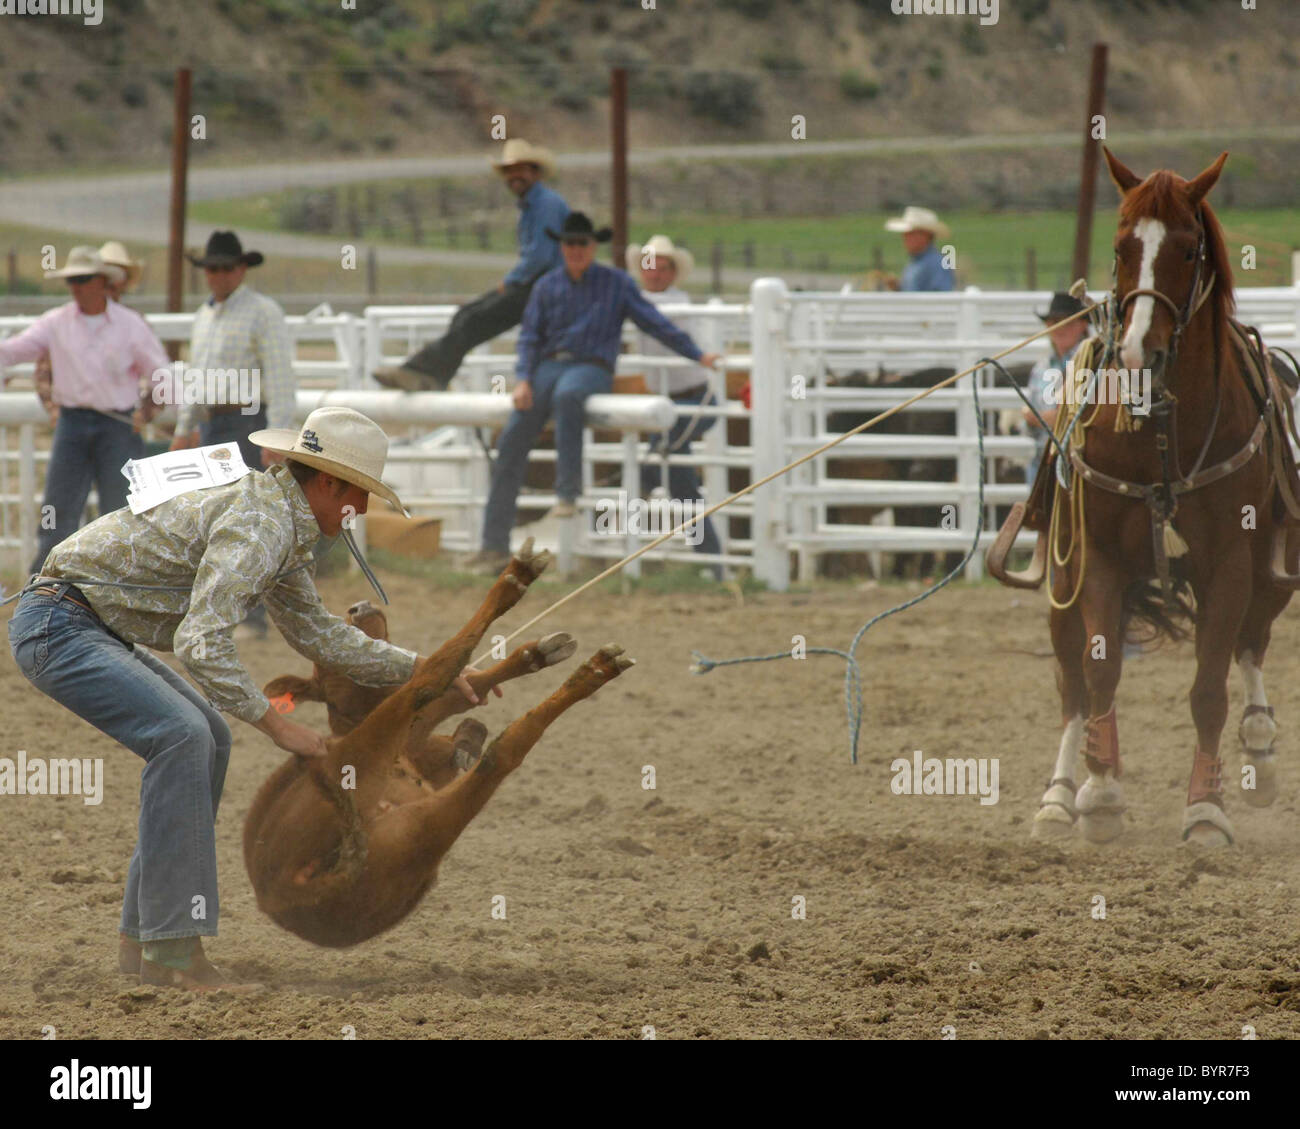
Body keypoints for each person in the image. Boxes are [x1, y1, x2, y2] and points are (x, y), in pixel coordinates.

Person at [7, 406, 488, 991]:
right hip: (62, 626)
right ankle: (171, 949)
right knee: (186, 735)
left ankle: (151, 941)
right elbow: (201, 641)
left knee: (203, 735)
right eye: (359, 493)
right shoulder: (263, 528)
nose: (362, 509)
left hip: (72, 620)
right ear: (329, 482)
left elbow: (320, 634)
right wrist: (281, 727)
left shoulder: (277, 521)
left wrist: (427, 672)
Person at [464, 213, 721, 575]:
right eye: (569, 243)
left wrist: (697, 353)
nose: (575, 250)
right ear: (563, 246)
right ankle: (493, 545)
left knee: (572, 398)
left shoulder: (616, 285)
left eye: (582, 244)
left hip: (593, 366)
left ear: (592, 246)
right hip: (550, 368)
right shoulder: (549, 286)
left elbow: (655, 323)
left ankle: (568, 492)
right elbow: (530, 337)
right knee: (512, 440)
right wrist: (522, 378)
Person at [0, 246, 168, 574]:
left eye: (83, 279)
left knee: (119, 512)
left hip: (114, 424)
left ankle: (118, 586)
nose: (76, 287)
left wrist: (147, 411)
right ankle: (45, 584)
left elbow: (162, 374)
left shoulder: (130, 324)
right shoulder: (58, 322)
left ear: (101, 282)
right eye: (73, 280)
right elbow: (16, 351)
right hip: (76, 422)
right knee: (58, 508)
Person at [171, 230, 297, 639]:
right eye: (212, 269)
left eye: (225, 268)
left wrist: (275, 436)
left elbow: (279, 378)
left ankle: (253, 614)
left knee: (247, 519)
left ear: (241, 269)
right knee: (215, 517)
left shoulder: (262, 312)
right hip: (214, 423)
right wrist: (185, 427)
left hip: (248, 423)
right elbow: (196, 377)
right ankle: (222, 609)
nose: (217, 275)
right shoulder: (205, 316)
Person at [373, 138, 570, 392]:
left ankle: (422, 372)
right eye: (509, 171)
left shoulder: (545, 205)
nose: (514, 176)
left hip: (544, 286)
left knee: (473, 318)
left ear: (534, 172)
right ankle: (431, 375)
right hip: (539, 284)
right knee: (466, 316)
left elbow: (540, 257)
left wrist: (509, 282)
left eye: (519, 169)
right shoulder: (537, 204)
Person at [626, 234, 724, 578]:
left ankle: (611, 535)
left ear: (671, 273)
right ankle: (712, 560)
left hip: (695, 399)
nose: (654, 273)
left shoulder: (675, 304)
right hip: (668, 402)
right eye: (649, 265)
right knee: (678, 475)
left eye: (661, 267)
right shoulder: (640, 301)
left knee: (658, 465)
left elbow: (653, 323)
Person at [1023, 291, 1091, 486]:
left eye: (1067, 322)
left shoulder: (1090, 361)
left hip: (1079, 463)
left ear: (1082, 325)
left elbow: (1073, 417)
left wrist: (1036, 417)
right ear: (1047, 326)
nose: (1060, 328)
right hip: (1042, 460)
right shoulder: (1041, 368)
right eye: (1054, 322)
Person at [882, 206, 955, 292]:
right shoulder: (914, 263)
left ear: (925, 236)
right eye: (905, 234)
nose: (905, 238)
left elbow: (941, 300)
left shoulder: (939, 264)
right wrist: (898, 288)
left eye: (910, 234)